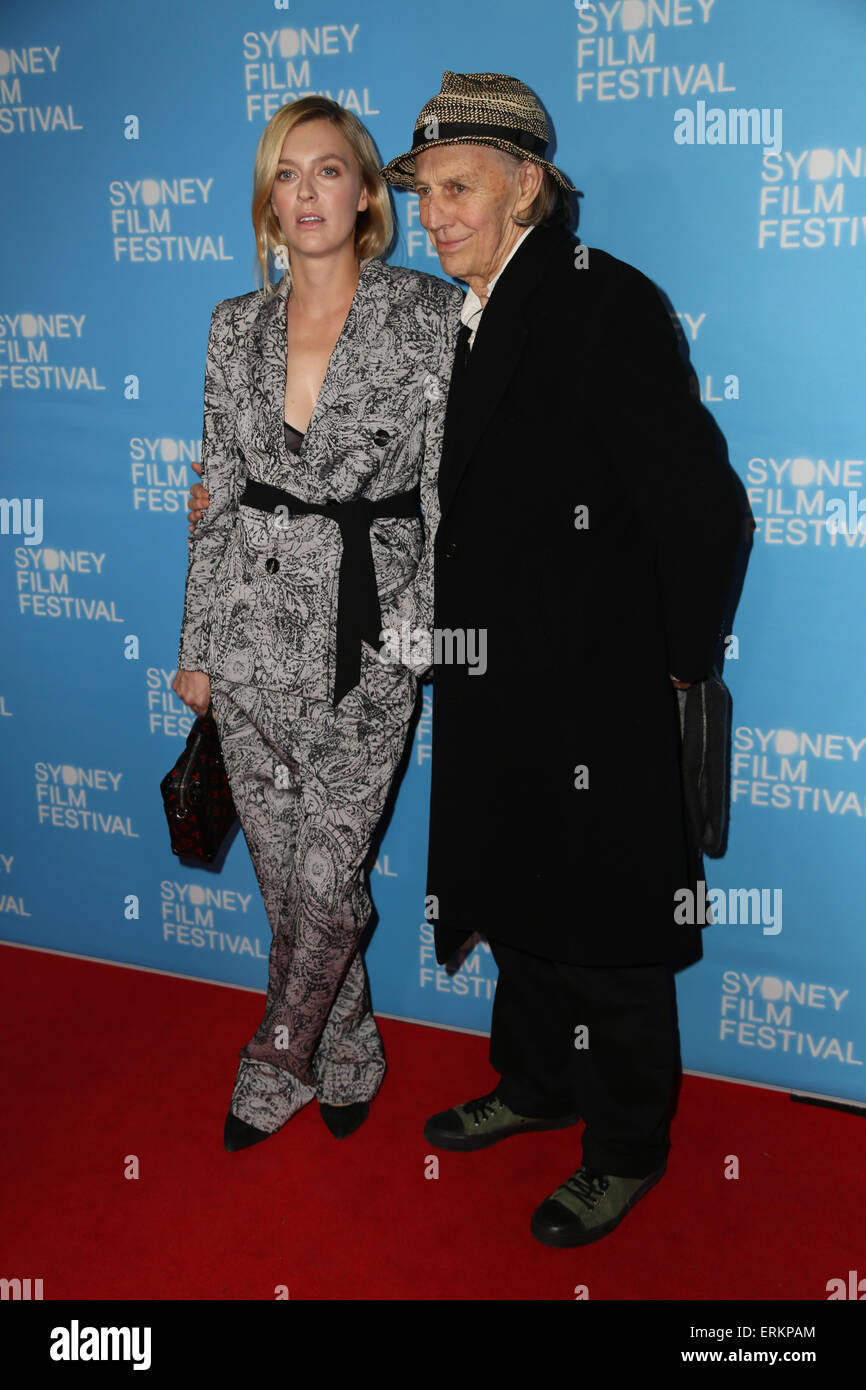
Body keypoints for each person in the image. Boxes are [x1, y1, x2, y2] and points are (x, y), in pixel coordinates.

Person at [377, 71, 746, 1246]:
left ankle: (627, 1142)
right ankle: (535, 1081)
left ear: (527, 185)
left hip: (597, 691)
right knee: (519, 896)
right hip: (497, 685)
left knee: (611, 931)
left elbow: (704, 509)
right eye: (424, 190)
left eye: (458, 187)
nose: (432, 215)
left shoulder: (602, 303)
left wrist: (678, 666)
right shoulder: (472, 312)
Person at [173, 95, 461, 1152]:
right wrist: (195, 649)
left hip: (369, 637)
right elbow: (221, 492)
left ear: (365, 192)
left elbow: (444, 498)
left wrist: (416, 644)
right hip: (246, 636)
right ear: (265, 199)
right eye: (285, 174)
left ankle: (276, 1054)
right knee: (285, 877)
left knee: (329, 873)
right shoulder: (229, 325)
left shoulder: (427, 316)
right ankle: (350, 1051)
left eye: (328, 170)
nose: (306, 193)